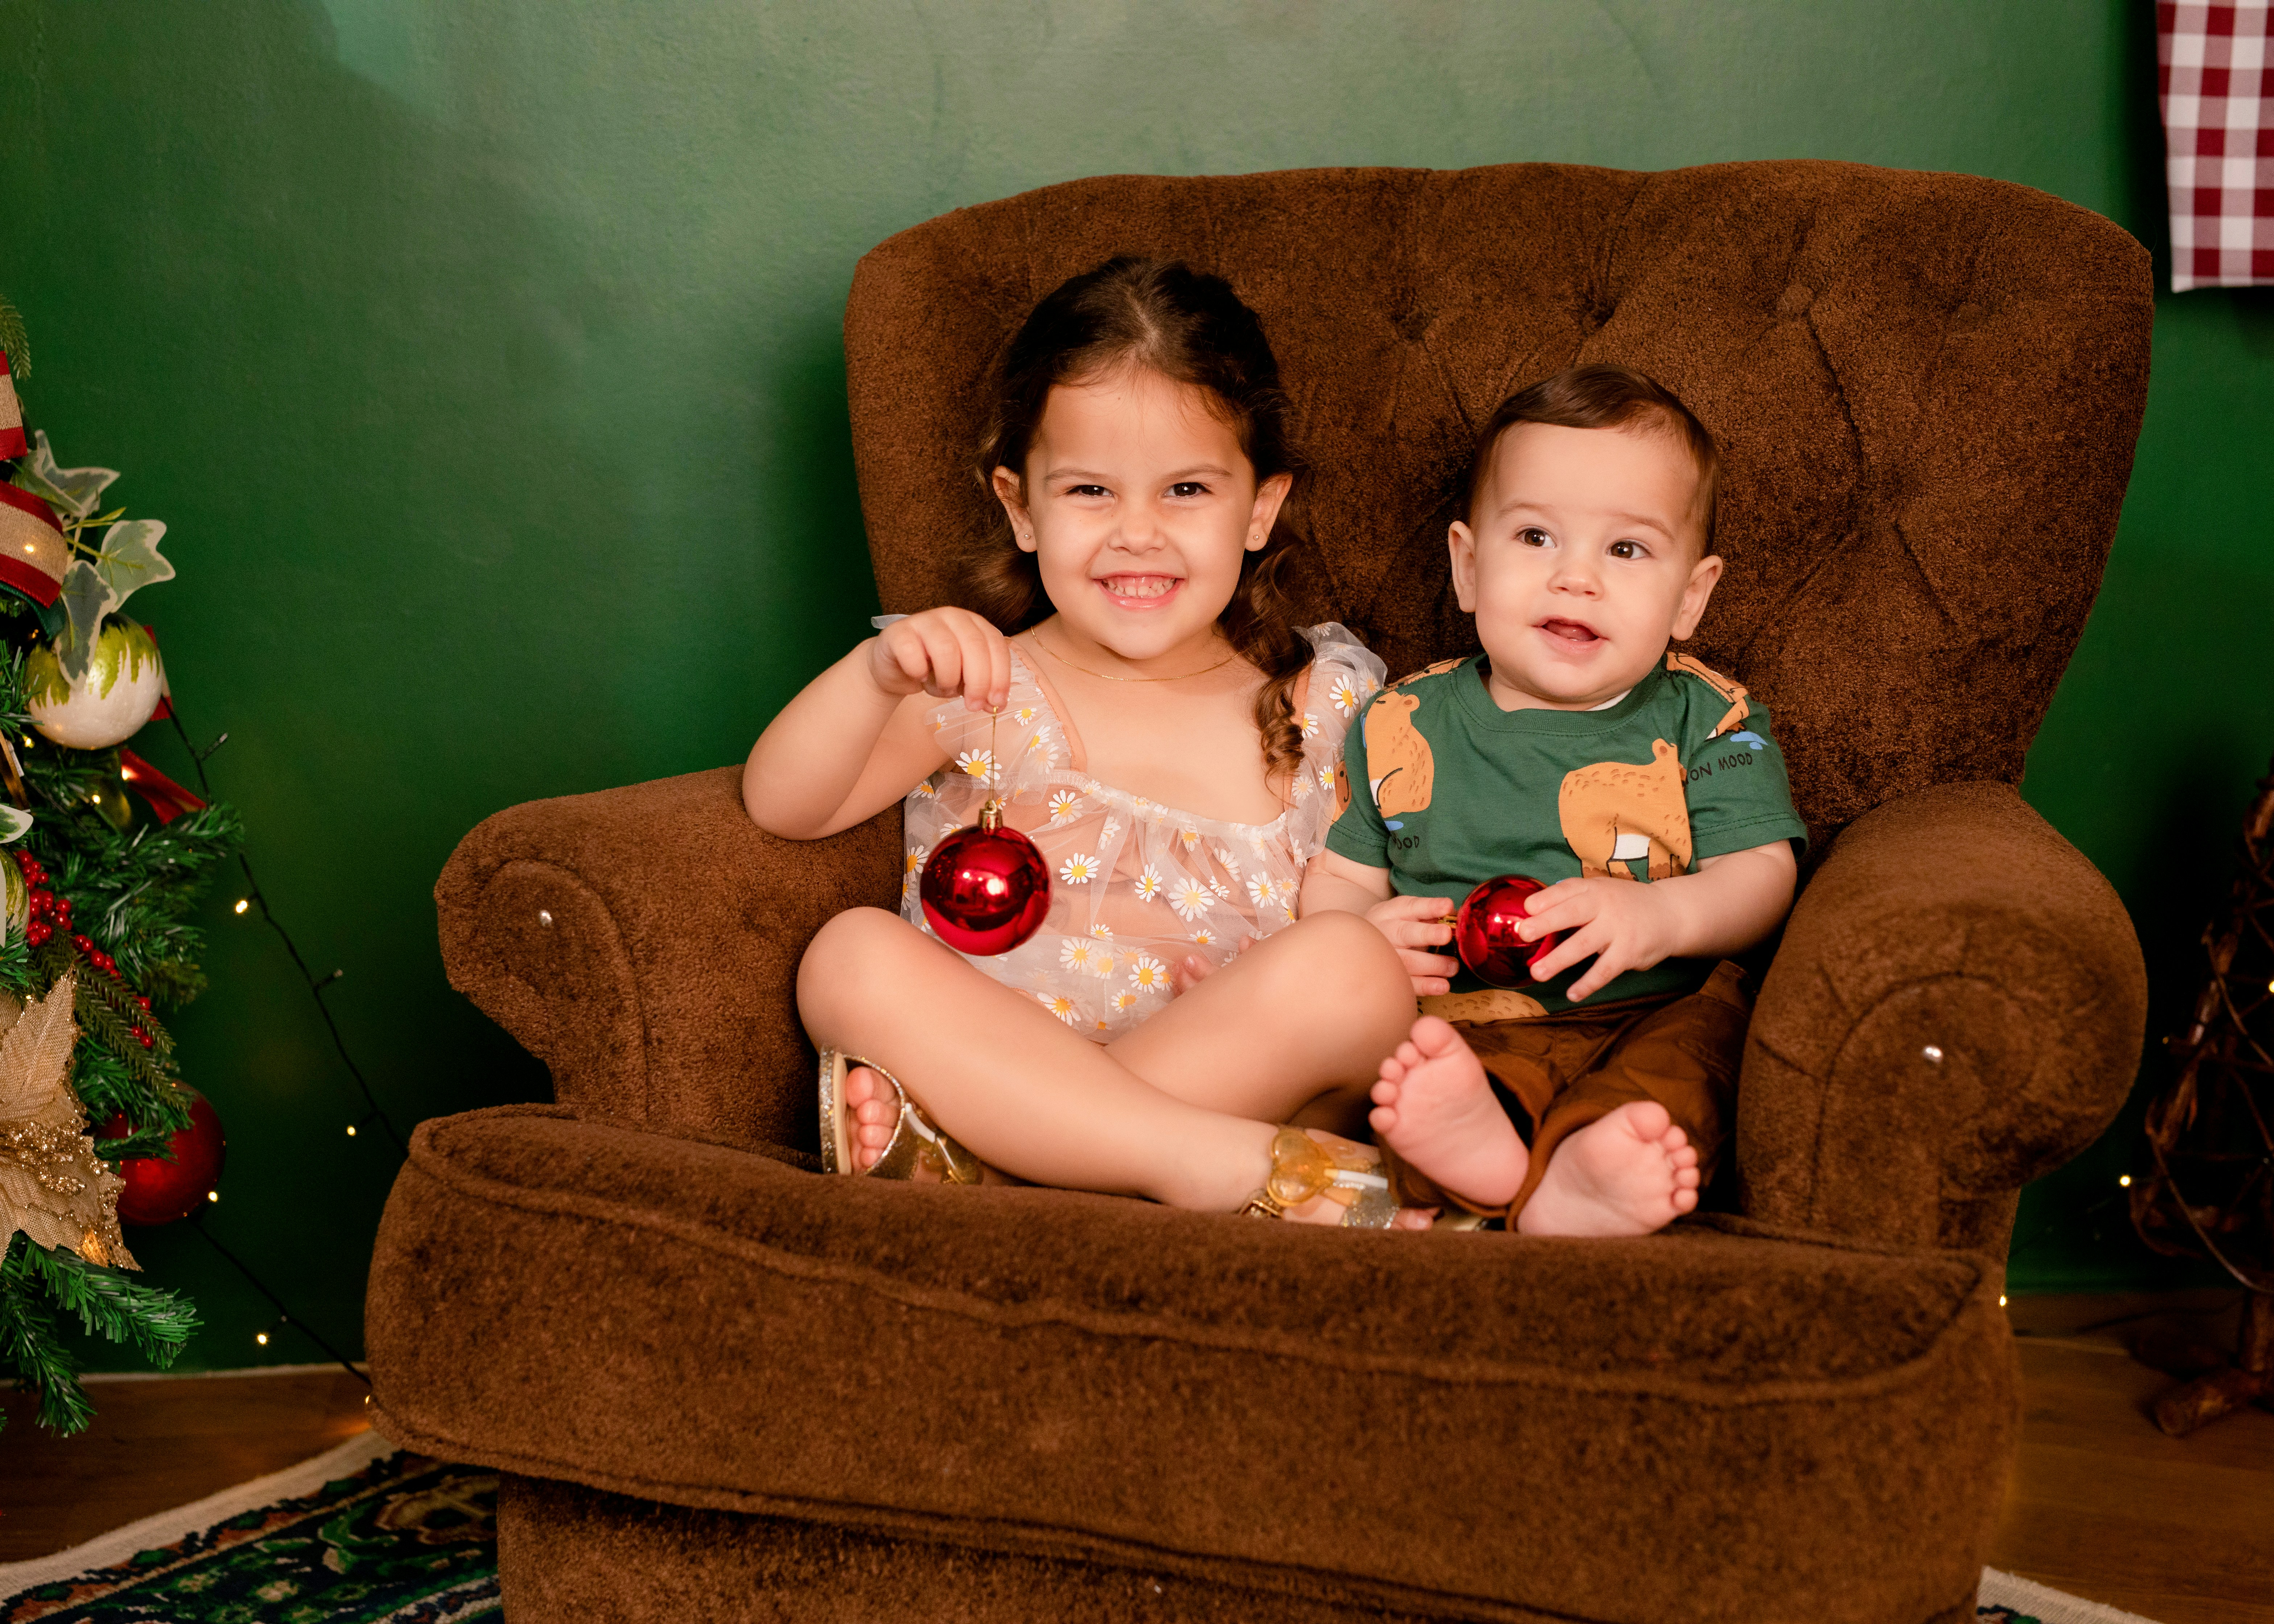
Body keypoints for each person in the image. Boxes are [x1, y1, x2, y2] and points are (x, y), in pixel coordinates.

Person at [744, 256, 1435, 1229]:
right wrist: (875, 675)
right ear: (1021, 507)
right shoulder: (978, 683)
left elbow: (1386, 904)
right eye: (1090, 493)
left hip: (1246, 1082)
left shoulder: (1323, 703)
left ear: (1262, 508)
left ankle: (990, 1170)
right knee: (848, 957)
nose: (1137, 535)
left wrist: (1384, 933)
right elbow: (784, 803)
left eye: (1187, 490)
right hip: (1027, 1072)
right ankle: (1196, 1162)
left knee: (1350, 972)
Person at [1302, 364, 1807, 1237]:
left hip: (1654, 1008)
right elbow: (1342, 876)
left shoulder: (1710, 718)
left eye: (1626, 549)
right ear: (1467, 566)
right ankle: (1490, 1155)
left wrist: (1662, 917)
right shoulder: (1400, 721)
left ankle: (1587, 1169)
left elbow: (1762, 872)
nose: (1576, 577)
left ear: (1691, 594)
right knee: (1416, 1072)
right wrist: (1356, 936)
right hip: (1470, 1020)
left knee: (1702, 1062)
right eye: (1535, 537)